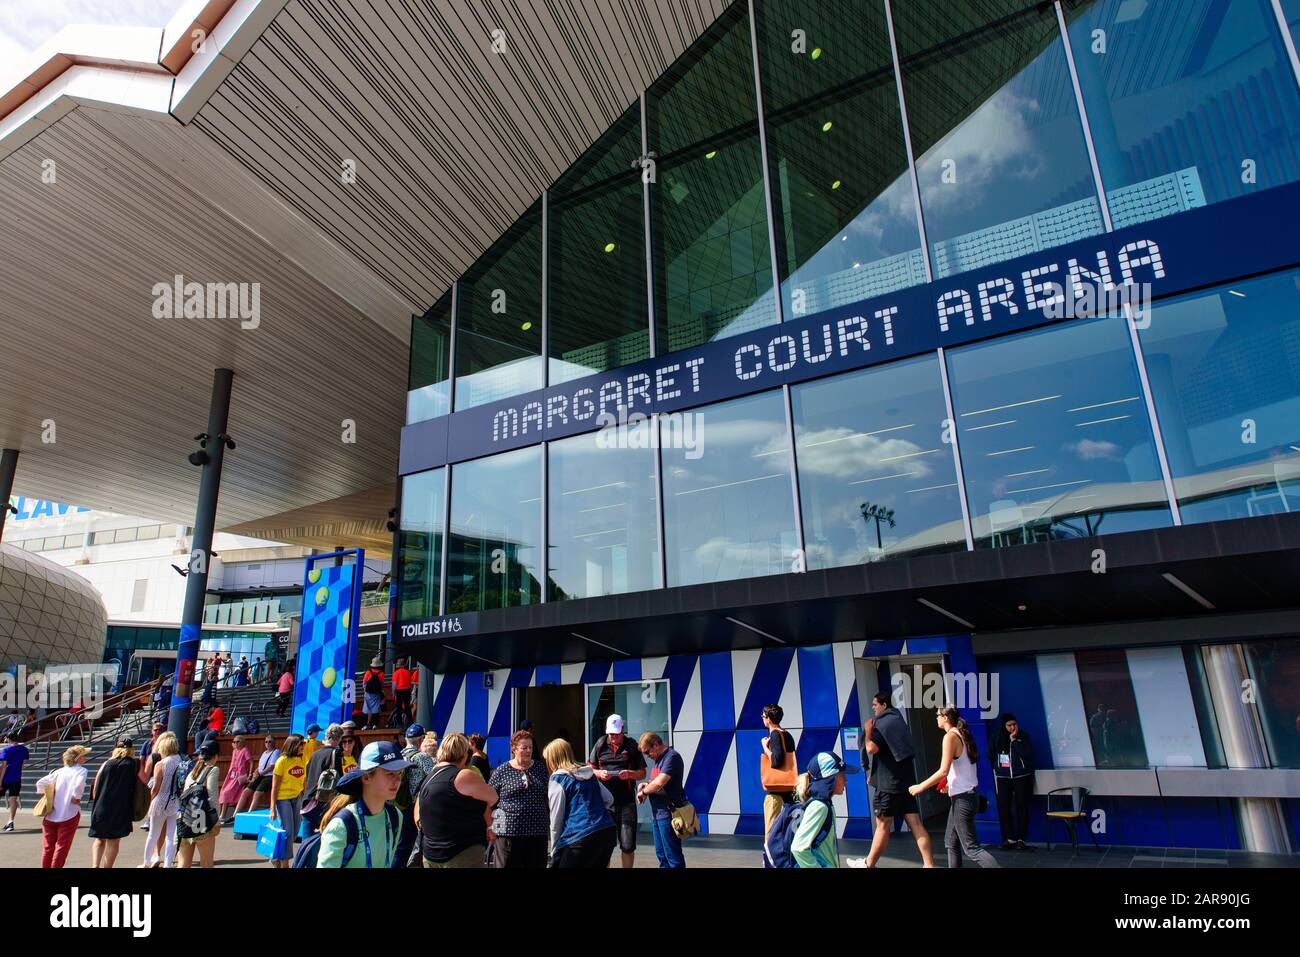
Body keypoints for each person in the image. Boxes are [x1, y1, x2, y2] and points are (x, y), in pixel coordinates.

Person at [911, 708, 1000, 869]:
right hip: (966, 797)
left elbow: (943, 770)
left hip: (963, 799)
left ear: (945, 718)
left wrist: (920, 787)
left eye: (938, 715)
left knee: (972, 848)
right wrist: (948, 784)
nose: (936, 718)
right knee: (950, 842)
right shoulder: (961, 734)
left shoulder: (950, 737)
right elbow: (960, 767)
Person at [863, 692, 934, 867]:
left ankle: (868, 864)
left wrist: (867, 732)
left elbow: (871, 748)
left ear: (884, 705)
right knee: (915, 823)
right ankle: (929, 864)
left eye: (875, 705)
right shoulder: (898, 721)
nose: (873, 708)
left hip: (889, 787)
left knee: (882, 826)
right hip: (906, 783)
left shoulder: (881, 725)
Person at [317, 741, 409, 868]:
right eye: (390, 773)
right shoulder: (341, 825)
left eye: (399, 773)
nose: (398, 780)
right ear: (366, 778)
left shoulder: (395, 816)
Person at [416, 732, 499, 868]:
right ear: (464, 752)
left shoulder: (429, 777)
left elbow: (418, 812)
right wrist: (493, 827)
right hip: (462, 853)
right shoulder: (463, 775)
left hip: (431, 854)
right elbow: (494, 798)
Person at [545, 737, 615, 868]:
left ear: (553, 759)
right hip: (606, 832)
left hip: (580, 836)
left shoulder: (558, 779)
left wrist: (555, 850)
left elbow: (556, 820)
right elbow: (609, 798)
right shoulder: (588, 773)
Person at [587, 713, 646, 868]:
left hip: (626, 803)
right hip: (605, 804)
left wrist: (629, 774)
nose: (613, 737)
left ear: (623, 731)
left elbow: (642, 773)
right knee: (604, 845)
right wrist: (600, 773)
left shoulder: (632, 745)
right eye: (611, 734)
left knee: (627, 845)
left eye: (616, 734)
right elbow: (589, 769)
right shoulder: (600, 743)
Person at [489, 730, 550, 868]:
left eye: (531, 747)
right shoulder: (502, 770)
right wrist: (491, 826)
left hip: (537, 833)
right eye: (524, 748)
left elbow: (549, 796)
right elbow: (489, 800)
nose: (529, 750)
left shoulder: (540, 768)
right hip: (508, 833)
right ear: (514, 749)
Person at [791, 752, 860, 868]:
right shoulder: (819, 807)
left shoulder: (824, 804)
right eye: (842, 775)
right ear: (830, 778)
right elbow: (798, 848)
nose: (846, 780)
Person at [636, 731, 686, 869]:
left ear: (656, 744)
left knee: (673, 857)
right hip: (658, 814)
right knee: (662, 857)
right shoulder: (658, 760)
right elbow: (655, 782)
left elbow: (659, 783)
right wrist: (646, 785)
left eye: (647, 752)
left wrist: (644, 792)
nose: (647, 756)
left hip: (669, 813)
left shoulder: (671, 757)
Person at [35, 745, 90, 867]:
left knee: (48, 847)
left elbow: (41, 783)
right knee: (62, 846)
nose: (85, 757)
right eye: (83, 755)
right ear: (77, 758)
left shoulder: (58, 771)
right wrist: (76, 798)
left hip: (51, 814)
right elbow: (78, 787)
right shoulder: (82, 771)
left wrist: (47, 795)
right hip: (69, 813)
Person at [89, 737, 140, 868]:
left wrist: (97, 802)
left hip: (101, 806)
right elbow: (144, 781)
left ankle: (95, 866)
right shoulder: (134, 764)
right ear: (130, 750)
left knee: (99, 839)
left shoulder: (106, 763)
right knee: (114, 841)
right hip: (121, 807)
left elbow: (96, 785)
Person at [989, 712, 1035, 849]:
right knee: (1004, 806)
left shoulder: (1023, 736)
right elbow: (991, 753)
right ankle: (1009, 838)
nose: (1012, 727)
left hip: (1021, 776)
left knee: (1021, 806)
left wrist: (1014, 740)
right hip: (1003, 777)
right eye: (1009, 725)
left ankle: (1021, 838)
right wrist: (998, 768)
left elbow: (1027, 754)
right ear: (1004, 726)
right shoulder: (997, 736)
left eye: (1014, 724)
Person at [177, 739, 223, 867]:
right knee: (207, 863)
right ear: (216, 756)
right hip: (202, 821)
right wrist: (216, 822)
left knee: (183, 863)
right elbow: (212, 796)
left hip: (184, 820)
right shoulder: (212, 769)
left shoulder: (192, 771)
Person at [140, 731, 181, 868]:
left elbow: (156, 788)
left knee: (153, 834)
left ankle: (146, 862)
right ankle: (168, 864)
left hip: (160, 800)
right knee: (171, 836)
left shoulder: (161, 764)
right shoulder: (180, 761)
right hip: (175, 801)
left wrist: (148, 801)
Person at [267, 733, 307, 867]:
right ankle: (285, 864)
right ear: (293, 745)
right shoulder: (281, 761)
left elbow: (303, 780)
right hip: (283, 799)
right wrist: (272, 808)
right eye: (301, 744)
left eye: (304, 744)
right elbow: (274, 786)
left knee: (295, 833)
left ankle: (276, 856)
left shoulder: (302, 759)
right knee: (288, 832)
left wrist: (305, 796)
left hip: (297, 797)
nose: (303, 746)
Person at [760, 703, 797, 840]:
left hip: (776, 794)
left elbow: (777, 761)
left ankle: (770, 859)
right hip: (789, 793)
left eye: (763, 716)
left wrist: (765, 747)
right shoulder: (787, 735)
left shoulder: (775, 735)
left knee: (771, 833)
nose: (762, 718)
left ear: (769, 719)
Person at [0, 731, 31, 832]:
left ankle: (9, 822)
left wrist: (0, 781)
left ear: (9, 739)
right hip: (16, 777)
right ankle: (10, 821)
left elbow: (3, 766)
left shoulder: (6, 750)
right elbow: (23, 764)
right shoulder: (24, 749)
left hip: (5, 778)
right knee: (13, 799)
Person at [220, 734, 253, 824]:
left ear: (242, 742)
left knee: (230, 794)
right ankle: (223, 815)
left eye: (237, 741)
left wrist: (249, 774)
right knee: (224, 792)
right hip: (231, 775)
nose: (235, 743)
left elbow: (251, 762)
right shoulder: (234, 751)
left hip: (240, 776)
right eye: (234, 742)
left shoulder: (245, 750)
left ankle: (224, 816)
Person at [243, 734, 280, 813]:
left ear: (274, 742)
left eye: (270, 742)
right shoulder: (264, 753)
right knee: (245, 792)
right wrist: (255, 772)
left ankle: (249, 814)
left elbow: (272, 766)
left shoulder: (276, 751)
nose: (268, 743)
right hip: (261, 775)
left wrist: (260, 773)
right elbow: (260, 766)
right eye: (266, 742)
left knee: (256, 794)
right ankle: (234, 815)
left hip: (269, 776)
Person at [361, 657, 385, 730]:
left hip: (368, 693)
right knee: (376, 708)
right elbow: (381, 684)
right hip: (376, 693)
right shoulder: (381, 673)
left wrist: (365, 690)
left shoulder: (368, 672)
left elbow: (364, 683)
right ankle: (374, 724)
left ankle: (365, 725)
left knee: (366, 708)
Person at [391, 659, 414, 727]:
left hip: (399, 691)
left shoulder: (396, 673)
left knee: (399, 708)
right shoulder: (408, 672)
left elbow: (394, 684)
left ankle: (399, 723)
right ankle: (410, 721)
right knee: (407, 707)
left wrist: (393, 692)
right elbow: (411, 683)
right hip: (407, 690)